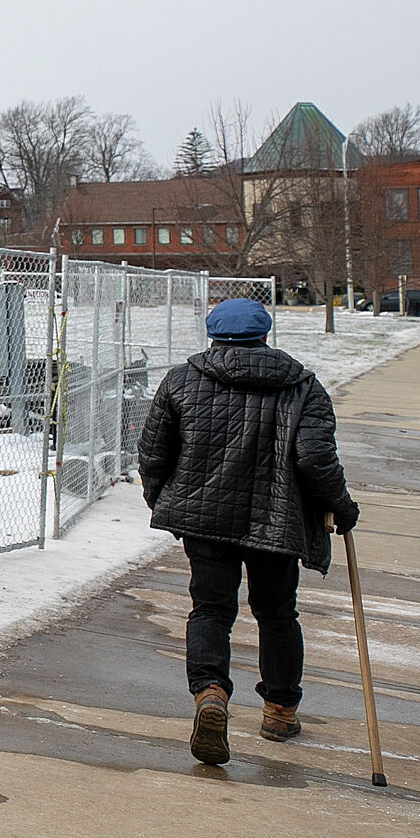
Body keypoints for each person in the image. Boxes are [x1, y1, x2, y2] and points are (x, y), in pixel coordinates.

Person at [136, 298, 358, 766]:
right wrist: (341, 506)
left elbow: (154, 452)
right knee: (277, 614)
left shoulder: (182, 379)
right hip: (277, 521)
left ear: (213, 334)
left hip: (205, 519)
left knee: (211, 609)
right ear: (264, 335)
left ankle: (211, 693)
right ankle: (279, 710)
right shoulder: (303, 386)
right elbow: (315, 459)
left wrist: (166, 501)